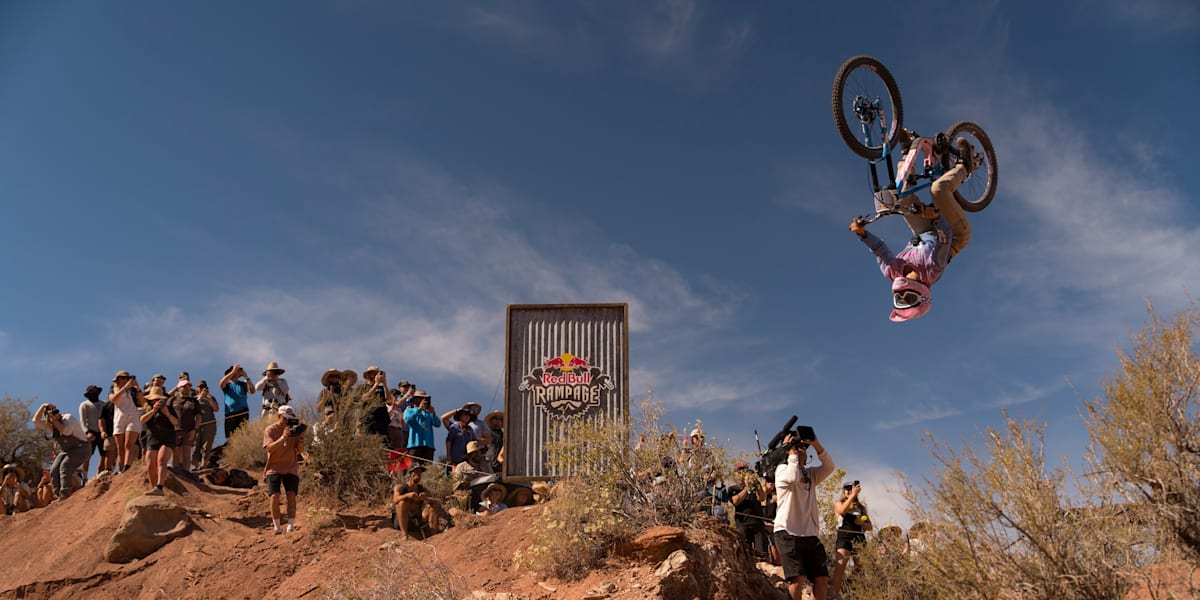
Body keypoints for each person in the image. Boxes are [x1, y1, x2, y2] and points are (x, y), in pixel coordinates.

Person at [849, 135, 977, 322]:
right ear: (922, 294)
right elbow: (946, 236)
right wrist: (935, 218)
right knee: (938, 190)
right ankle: (966, 166)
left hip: (925, 232)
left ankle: (909, 153)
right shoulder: (932, 268)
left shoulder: (892, 272)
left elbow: (880, 250)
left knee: (898, 199)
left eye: (898, 299)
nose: (901, 295)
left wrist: (862, 234)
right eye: (907, 298)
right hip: (954, 234)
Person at [773, 433, 836, 600]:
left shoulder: (810, 475)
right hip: (787, 532)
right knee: (797, 579)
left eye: (803, 447)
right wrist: (791, 453)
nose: (801, 450)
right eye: (797, 446)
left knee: (821, 578)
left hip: (809, 533)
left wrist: (816, 443)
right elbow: (793, 477)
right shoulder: (781, 471)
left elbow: (829, 467)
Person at [33, 403, 92, 500]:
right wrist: (43, 406)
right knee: (54, 469)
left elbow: (66, 431)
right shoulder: (51, 424)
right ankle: (58, 496)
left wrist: (54, 421)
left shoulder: (68, 418)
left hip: (82, 448)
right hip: (67, 451)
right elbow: (35, 421)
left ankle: (65, 494)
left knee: (65, 466)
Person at [263, 405, 304, 534]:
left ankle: (291, 525)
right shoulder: (270, 430)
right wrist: (283, 438)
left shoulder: (294, 431)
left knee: (291, 495)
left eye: (290, 419)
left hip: (291, 466)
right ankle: (277, 526)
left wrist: (301, 437)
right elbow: (269, 448)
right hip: (274, 467)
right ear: (279, 416)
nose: (288, 422)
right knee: (274, 496)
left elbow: (301, 450)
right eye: (286, 419)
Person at [831, 481, 873, 599]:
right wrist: (853, 496)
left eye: (852, 488)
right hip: (844, 536)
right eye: (847, 489)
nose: (850, 491)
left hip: (859, 536)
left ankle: (854, 593)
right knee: (840, 566)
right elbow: (842, 511)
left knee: (860, 567)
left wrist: (863, 523)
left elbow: (870, 527)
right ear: (844, 491)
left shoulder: (861, 508)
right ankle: (833, 595)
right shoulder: (839, 503)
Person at [139, 386, 178, 495]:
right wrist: (153, 410)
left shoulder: (169, 408)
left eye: (159, 399)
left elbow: (176, 422)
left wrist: (167, 414)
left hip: (167, 437)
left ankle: (159, 486)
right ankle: (154, 488)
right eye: (154, 399)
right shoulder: (146, 408)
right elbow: (142, 420)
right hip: (152, 438)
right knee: (150, 464)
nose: (157, 401)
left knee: (161, 460)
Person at [729, 462, 772, 559]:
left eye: (745, 471)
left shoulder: (755, 486)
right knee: (744, 556)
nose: (743, 473)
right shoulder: (733, 488)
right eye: (740, 471)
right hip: (743, 524)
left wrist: (756, 484)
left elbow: (763, 498)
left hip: (758, 524)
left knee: (762, 554)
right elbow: (735, 501)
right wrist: (746, 488)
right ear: (736, 473)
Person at [392, 465, 441, 540]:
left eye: (420, 472)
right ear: (410, 474)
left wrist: (426, 498)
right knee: (402, 503)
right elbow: (395, 500)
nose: (419, 474)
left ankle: (434, 536)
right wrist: (407, 496)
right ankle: (404, 534)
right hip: (402, 521)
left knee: (433, 506)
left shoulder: (422, 489)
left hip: (417, 521)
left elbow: (437, 501)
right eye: (416, 472)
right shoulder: (400, 487)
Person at [108, 370, 143, 474]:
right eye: (123, 378)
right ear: (118, 379)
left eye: (127, 378)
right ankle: (121, 468)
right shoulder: (113, 389)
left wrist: (137, 387)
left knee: (129, 444)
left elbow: (142, 401)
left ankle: (127, 467)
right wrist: (124, 388)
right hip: (119, 418)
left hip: (132, 416)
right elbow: (113, 399)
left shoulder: (133, 390)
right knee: (120, 447)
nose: (125, 380)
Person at [170, 379, 200, 473]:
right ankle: (176, 475)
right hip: (175, 430)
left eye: (188, 387)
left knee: (187, 455)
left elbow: (198, 417)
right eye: (184, 386)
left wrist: (194, 430)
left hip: (189, 430)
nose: (186, 389)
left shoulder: (194, 401)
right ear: (179, 388)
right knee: (175, 454)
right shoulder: (172, 400)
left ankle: (187, 474)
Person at [403, 391, 440, 469]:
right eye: (421, 399)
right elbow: (408, 420)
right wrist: (419, 409)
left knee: (427, 469)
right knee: (414, 468)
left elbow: (437, 424)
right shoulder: (409, 411)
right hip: (415, 444)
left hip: (428, 445)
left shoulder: (427, 413)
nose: (424, 401)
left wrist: (433, 413)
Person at [219, 363, 256, 438]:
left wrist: (246, 377)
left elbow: (252, 390)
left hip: (243, 412)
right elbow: (221, 383)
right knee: (230, 437)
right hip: (230, 414)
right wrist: (233, 371)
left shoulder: (242, 384)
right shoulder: (228, 385)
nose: (237, 372)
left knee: (243, 435)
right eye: (236, 371)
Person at [78, 385, 105, 479]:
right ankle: (85, 477)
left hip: (102, 431)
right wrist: (86, 432)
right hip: (91, 432)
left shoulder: (103, 404)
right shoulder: (84, 405)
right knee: (87, 455)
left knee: (104, 454)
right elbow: (82, 420)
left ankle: (100, 474)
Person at [192, 381, 219, 469]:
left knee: (206, 446)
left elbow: (216, 409)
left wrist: (209, 398)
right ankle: (195, 466)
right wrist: (200, 397)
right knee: (196, 446)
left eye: (204, 387)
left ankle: (203, 466)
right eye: (200, 387)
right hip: (196, 424)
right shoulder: (193, 398)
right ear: (197, 389)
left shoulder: (211, 398)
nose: (203, 388)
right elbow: (191, 407)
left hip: (209, 424)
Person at [360, 369, 393, 441]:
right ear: (369, 375)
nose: (376, 375)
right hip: (369, 420)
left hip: (382, 420)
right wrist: (376, 384)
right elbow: (364, 398)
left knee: (384, 444)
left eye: (377, 373)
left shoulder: (382, 388)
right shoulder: (363, 387)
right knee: (369, 442)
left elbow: (390, 402)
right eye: (374, 373)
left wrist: (384, 384)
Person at [97, 391, 117, 474]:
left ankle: (116, 470)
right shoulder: (106, 405)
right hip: (110, 432)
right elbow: (101, 419)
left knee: (118, 453)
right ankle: (108, 471)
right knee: (110, 453)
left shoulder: (125, 402)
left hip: (123, 431)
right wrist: (102, 431)